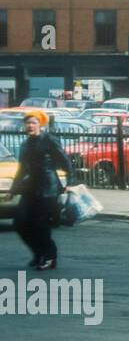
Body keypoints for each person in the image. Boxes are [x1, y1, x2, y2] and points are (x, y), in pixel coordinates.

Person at [7, 109, 73, 270]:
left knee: (41, 224)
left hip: (47, 189)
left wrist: (71, 181)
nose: (30, 126)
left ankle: (50, 257)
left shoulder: (49, 140)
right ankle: (38, 253)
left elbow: (65, 161)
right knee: (20, 223)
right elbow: (22, 170)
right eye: (27, 123)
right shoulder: (25, 144)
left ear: (40, 125)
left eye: (33, 123)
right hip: (30, 189)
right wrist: (13, 189)